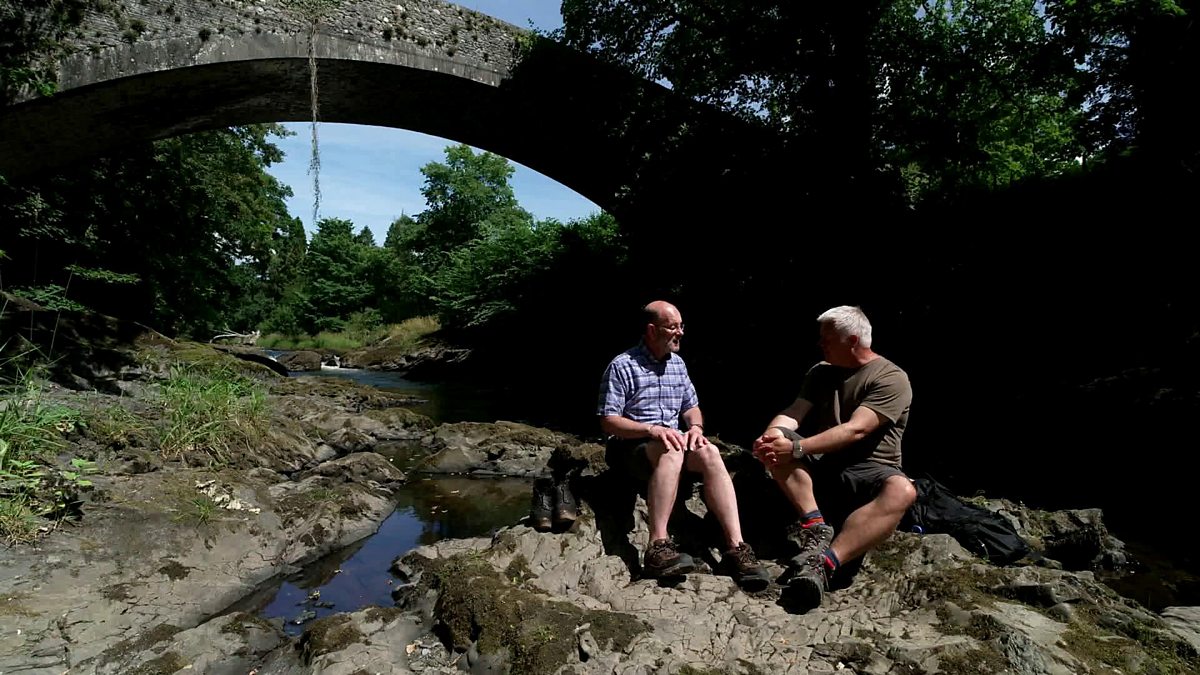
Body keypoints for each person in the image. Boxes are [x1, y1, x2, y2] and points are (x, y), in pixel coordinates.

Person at [752, 305, 917, 610]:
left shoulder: (892, 378)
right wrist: (770, 437)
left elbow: (857, 429)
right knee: (777, 439)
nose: (820, 344)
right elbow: (794, 413)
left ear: (852, 340)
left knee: (903, 490)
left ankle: (823, 564)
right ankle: (816, 528)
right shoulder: (821, 372)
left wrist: (798, 448)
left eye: (827, 339)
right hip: (826, 463)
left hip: (871, 469)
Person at [599, 300, 770, 590]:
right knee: (671, 448)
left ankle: (735, 547)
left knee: (710, 452)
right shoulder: (622, 365)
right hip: (632, 447)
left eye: (681, 326)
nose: (680, 332)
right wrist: (651, 429)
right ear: (652, 330)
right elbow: (608, 420)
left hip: (672, 442)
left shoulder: (678, 364)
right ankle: (657, 546)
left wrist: (696, 428)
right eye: (673, 327)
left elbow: (692, 406)